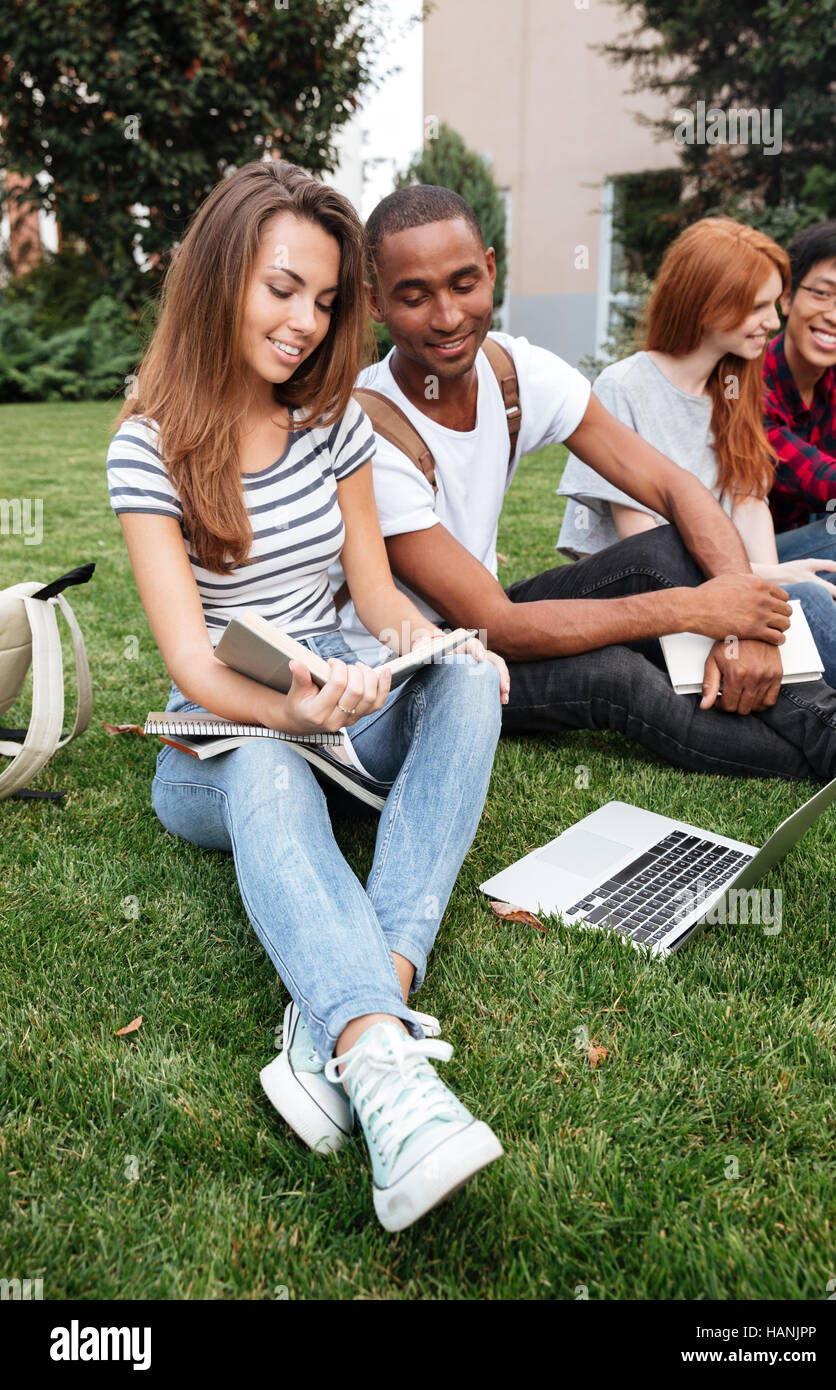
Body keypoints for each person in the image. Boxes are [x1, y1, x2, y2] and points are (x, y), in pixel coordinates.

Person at [106, 161, 509, 1233]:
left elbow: (376, 592)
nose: (304, 322)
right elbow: (194, 662)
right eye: (283, 288)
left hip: (341, 681)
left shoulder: (334, 422)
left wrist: (436, 645)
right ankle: (383, 1068)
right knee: (263, 751)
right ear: (220, 275)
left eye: (326, 301)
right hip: (220, 737)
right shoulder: (146, 447)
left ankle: (359, 992)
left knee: (470, 682)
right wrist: (288, 709)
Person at [332, 183, 836, 803]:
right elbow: (496, 625)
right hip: (411, 667)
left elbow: (672, 485)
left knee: (663, 551)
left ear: (491, 270)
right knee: (617, 678)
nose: (448, 317)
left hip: (480, 614)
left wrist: (741, 612)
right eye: (414, 296)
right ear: (374, 301)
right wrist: (698, 611)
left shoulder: (516, 372)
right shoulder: (370, 431)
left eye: (463, 283)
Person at [556, 216, 836, 710]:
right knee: (802, 603)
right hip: (660, 602)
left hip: (736, 575)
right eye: (759, 307)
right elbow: (647, 551)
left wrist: (767, 574)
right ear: (708, 302)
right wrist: (771, 581)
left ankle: (833, 643)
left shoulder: (736, 384)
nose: (774, 321)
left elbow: (748, 499)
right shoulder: (624, 386)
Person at [762, 219, 836, 575]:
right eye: (822, 294)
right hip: (754, 560)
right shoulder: (746, 385)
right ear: (787, 297)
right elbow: (827, 481)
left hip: (817, 528)